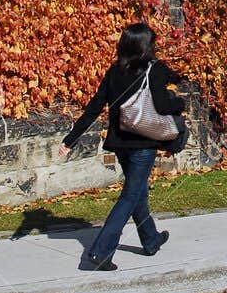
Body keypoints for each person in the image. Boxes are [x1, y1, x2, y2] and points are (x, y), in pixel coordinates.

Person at [60, 23, 187, 271]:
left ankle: (150, 239)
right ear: (146, 46)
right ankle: (100, 252)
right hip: (143, 143)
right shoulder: (155, 69)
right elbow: (162, 107)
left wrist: (70, 139)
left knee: (137, 191)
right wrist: (179, 104)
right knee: (130, 195)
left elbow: (94, 107)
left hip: (120, 143)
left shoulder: (115, 71)